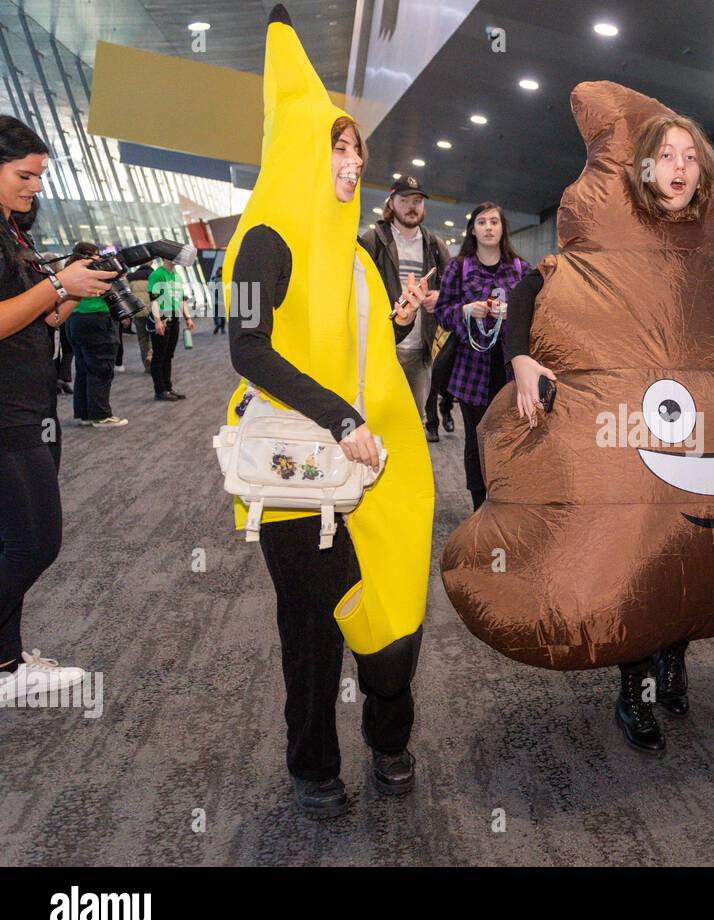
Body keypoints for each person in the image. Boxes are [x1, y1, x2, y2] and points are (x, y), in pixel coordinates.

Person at [504, 110, 714, 753]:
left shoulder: (708, 254)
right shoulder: (614, 239)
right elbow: (535, 286)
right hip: (638, 424)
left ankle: (675, 658)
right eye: (666, 156)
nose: (680, 169)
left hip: (703, 423)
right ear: (643, 168)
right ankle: (633, 694)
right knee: (641, 548)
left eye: (691, 158)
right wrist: (520, 357)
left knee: (689, 537)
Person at [224, 5, 434, 819]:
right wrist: (341, 417)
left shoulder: (354, 255)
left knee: (391, 611)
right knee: (311, 630)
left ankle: (390, 740)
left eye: (357, 149)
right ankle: (312, 766)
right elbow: (250, 348)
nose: (352, 161)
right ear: (304, 151)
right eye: (337, 146)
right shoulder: (261, 242)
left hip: (380, 461)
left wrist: (399, 321)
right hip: (296, 468)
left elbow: (353, 344)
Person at [0, 115, 115, 706]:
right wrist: (56, 286)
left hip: (30, 400)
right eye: (25, 174)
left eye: (40, 176)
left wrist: (73, 289)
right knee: (34, 543)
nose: (35, 187)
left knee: (12, 541)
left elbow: (38, 318)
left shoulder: (12, 232)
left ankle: (7, 663)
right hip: (7, 414)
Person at [433, 202, 530, 509]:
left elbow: (536, 315)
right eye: (482, 222)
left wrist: (512, 313)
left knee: (509, 440)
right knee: (476, 443)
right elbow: (442, 314)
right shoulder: (457, 267)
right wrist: (464, 310)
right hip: (470, 373)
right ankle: (479, 508)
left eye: (494, 222)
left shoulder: (520, 269)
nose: (488, 227)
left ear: (503, 229)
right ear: (472, 229)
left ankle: (505, 503)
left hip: (510, 372)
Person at [358, 176, 451, 441]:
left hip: (420, 351)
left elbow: (454, 290)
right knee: (375, 419)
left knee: (413, 422)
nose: (412, 206)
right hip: (382, 346)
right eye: (405, 200)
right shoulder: (374, 240)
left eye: (418, 201)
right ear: (391, 203)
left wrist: (440, 297)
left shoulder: (434, 245)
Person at [65, 241, 128, 428]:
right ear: (89, 254)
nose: (100, 257)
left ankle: (85, 413)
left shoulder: (70, 269)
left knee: (84, 368)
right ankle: (100, 415)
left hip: (74, 321)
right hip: (96, 320)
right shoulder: (93, 270)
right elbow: (110, 290)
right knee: (101, 368)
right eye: (97, 254)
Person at [146, 257, 194, 401]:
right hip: (162, 318)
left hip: (174, 318)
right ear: (165, 257)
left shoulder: (177, 276)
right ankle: (159, 390)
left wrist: (188, 317)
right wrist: (157, 320)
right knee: (159, 356)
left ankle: (168, 388)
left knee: (168, 355)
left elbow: (182, 299)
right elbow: (154, 300)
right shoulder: (157, 275)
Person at [126, 263, 153, 369]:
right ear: (151, 263)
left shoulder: (131, 277)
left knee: (142, 338)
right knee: (154, 337)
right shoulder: (154, 275)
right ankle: (151, 357)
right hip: (152, 312)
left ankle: (147, 365)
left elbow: (128, 296)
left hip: (137, 312)